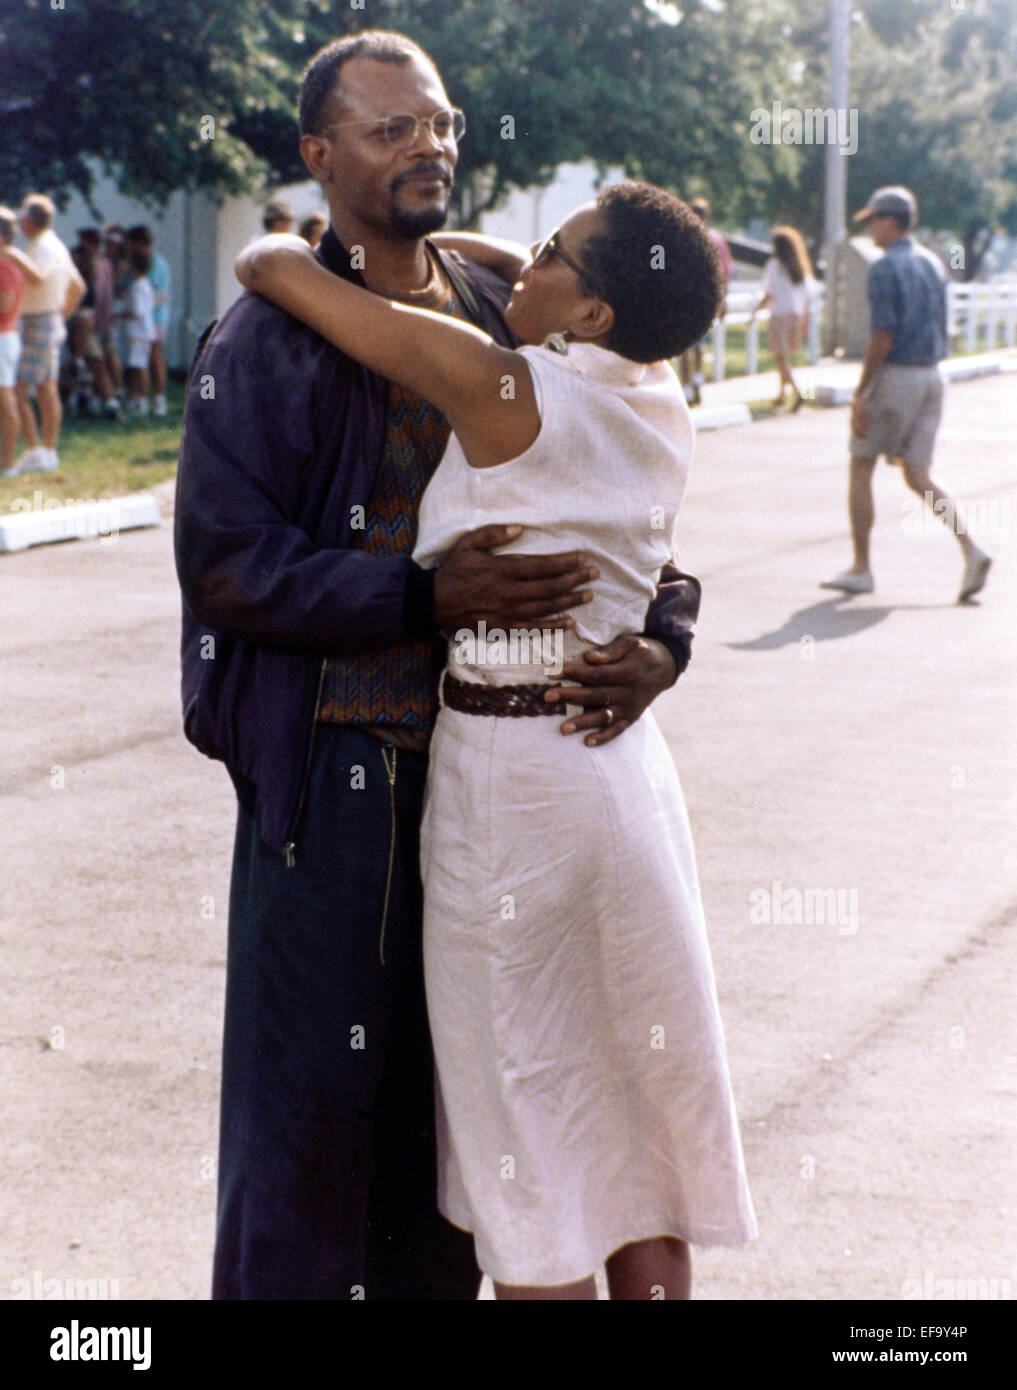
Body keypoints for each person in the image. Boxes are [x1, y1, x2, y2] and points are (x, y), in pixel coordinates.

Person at [175, 30, 702, 1302]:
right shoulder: (263, 343)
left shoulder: (494, 319)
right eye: (390, 129)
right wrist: (414, 593)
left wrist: (662, 643)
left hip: (493, 799)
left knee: (465, 1138)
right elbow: (228, 567)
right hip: (341, 793)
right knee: (308, 1129)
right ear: (318, 156)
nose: (431, 147)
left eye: (443, 123)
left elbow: (633, 533)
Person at [821, 186, 991, 602]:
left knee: (861, 464)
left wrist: (862, 392)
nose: (872, 229)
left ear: (889, 220)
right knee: (918, 474)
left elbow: (882, 333)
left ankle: (861, 567)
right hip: (932, 375)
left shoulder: (884, 267)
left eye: (874, 220)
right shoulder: (933, 263)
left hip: (897, 375)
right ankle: (971, 548)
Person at [12, 194, 85, 473]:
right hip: (49, 320)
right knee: (46, 389)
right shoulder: (56, 245)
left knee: (19, 390)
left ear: (29, 220)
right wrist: (59, 316)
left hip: (37, 321)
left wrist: (12, 255)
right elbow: (77, 287)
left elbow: (38, 277)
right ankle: (48, 451)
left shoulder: (39, 247)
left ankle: (35, 451)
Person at [751, 225, 816, 410]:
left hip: (780, 315)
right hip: (795, 315)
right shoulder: (798, 266)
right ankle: (781, 394)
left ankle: (798, 392)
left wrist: (755, 312)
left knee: (781, 357)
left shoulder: (775, 265)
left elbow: (769, 293)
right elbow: (807, 295)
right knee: (784, 356)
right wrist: (805, 321)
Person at [0, 206, 44, 476]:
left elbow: (4, 305)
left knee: (5, 401)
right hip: (6, 336)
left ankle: (7, 463)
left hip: (2, 337)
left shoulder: (3, 266)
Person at [678, 196, 732, 405]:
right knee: (699, 344)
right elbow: (724, 273)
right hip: (705, 297)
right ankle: (697, 379)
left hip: (687, 297)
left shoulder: (683, 239)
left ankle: (687, 387)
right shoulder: (716, 240)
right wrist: (723, 299)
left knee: (683, 345)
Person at [126, 225, 171, 417]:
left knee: (154, 358)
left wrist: (158, 322)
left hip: (155, 319)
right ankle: (139, 396)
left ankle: (159, 398)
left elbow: (161, 296)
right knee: (143, 360)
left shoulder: (158, 264)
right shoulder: (137, 262)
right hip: (146, 319)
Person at [115, 244, 156, 417]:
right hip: (141, 331)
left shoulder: (138, 286)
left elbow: (137, 312)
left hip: (138, 332)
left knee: (138, 366)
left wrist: (119, 315)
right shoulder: (143, 283)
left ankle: (141, 400)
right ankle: (137, 398)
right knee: (138, 364)